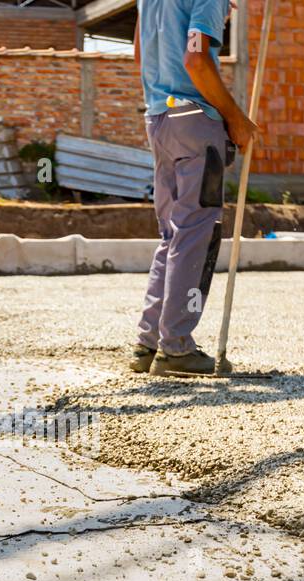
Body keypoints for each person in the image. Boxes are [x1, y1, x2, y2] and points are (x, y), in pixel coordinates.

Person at [131, 0, 262, 377]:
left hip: (158, 116)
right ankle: (176, 347)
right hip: (194, 120)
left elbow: (141, 52)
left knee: (172, 233)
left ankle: (149, 343)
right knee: (195, 234)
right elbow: (196, 60)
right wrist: (236, 119)